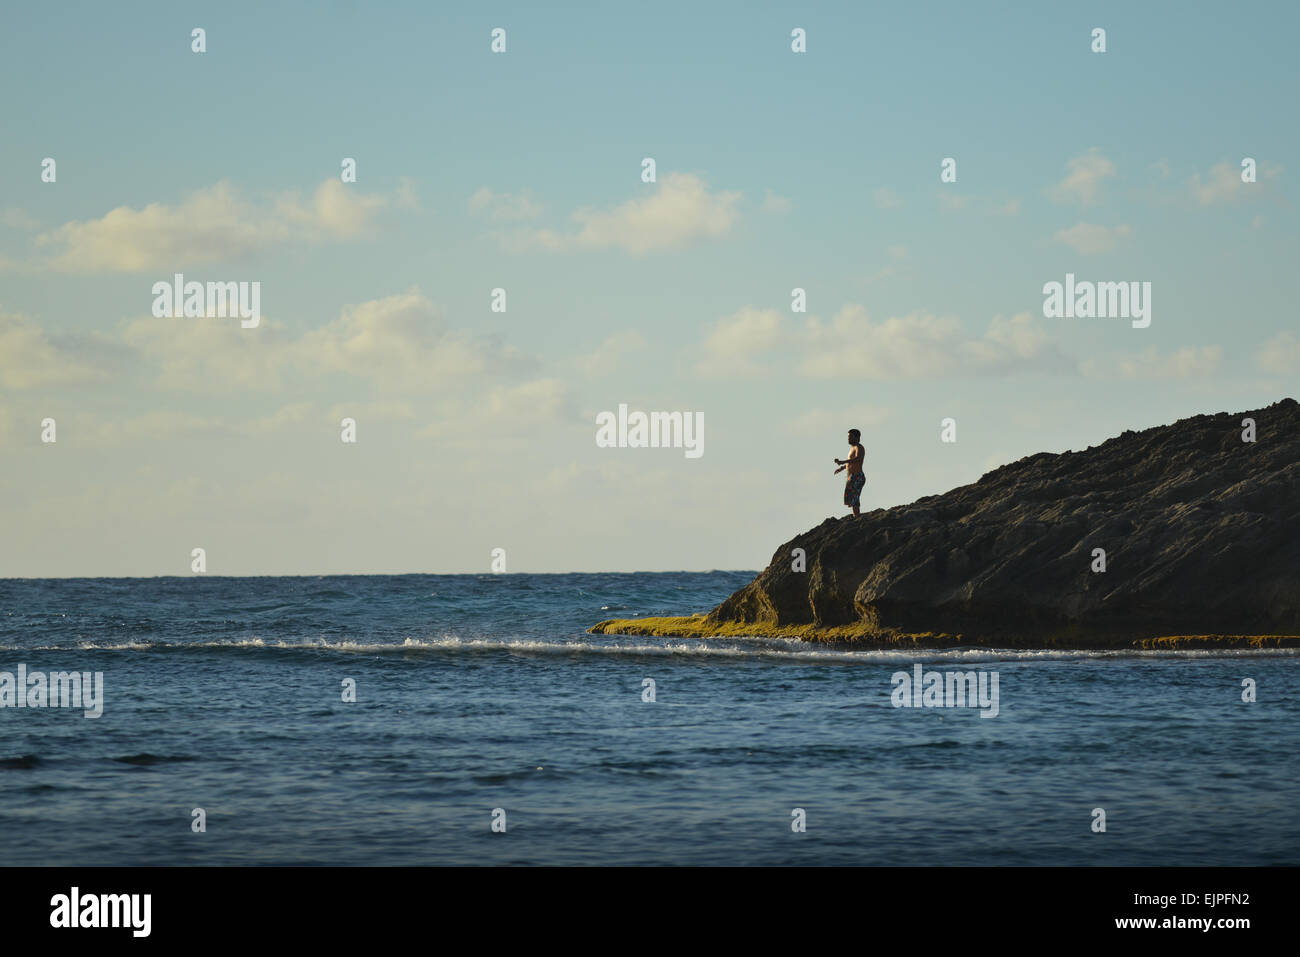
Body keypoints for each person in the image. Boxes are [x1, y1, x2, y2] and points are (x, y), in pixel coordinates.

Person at [834, 429, 866, 516]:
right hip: (851, 476)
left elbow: (858, 459)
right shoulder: (852, 449)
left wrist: (843, 461)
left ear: (857, 437)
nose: (848, 439)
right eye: (848, 437)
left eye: (851, 437)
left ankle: (857, 516)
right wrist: (842, 468)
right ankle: (856, 516)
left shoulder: (859, 447)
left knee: (854, 498)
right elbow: (851, 462)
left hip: (857, 476)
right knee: (851, 498)